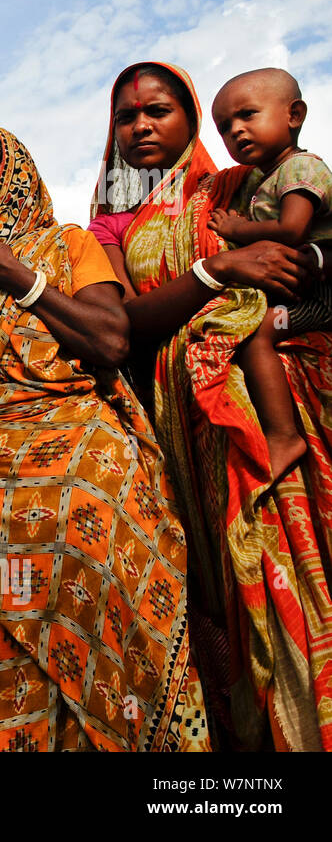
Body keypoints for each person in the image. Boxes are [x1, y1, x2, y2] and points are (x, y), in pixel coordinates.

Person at [0, 123, 208, 751]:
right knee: (16, 664)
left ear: (15, 173)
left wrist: (20, 279)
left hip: (88, 479)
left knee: (116, 641)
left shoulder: (69, 246)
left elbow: (111, 340)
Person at [90, 61, 331, 750]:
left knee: (291, 557)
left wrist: (305, 264)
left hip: (268, 395)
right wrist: (216, 270)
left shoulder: (239, 190)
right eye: (127, 116)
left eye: (158, 111)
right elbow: (122, 328)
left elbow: (307, 245)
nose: (140, 125)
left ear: (191, 120)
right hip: (178, 411)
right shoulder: (108, 228)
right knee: (220, 587)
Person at [207, 68, 332, 483]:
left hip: (321, 296)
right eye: (224, 127)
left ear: (294, 115)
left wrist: (238, 230)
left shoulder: (301, 169)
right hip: (294, 292)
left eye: (247, 115)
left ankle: (284, 435)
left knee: (259, 332)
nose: (236, 131)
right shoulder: (258, 182)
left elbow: (293, 231)